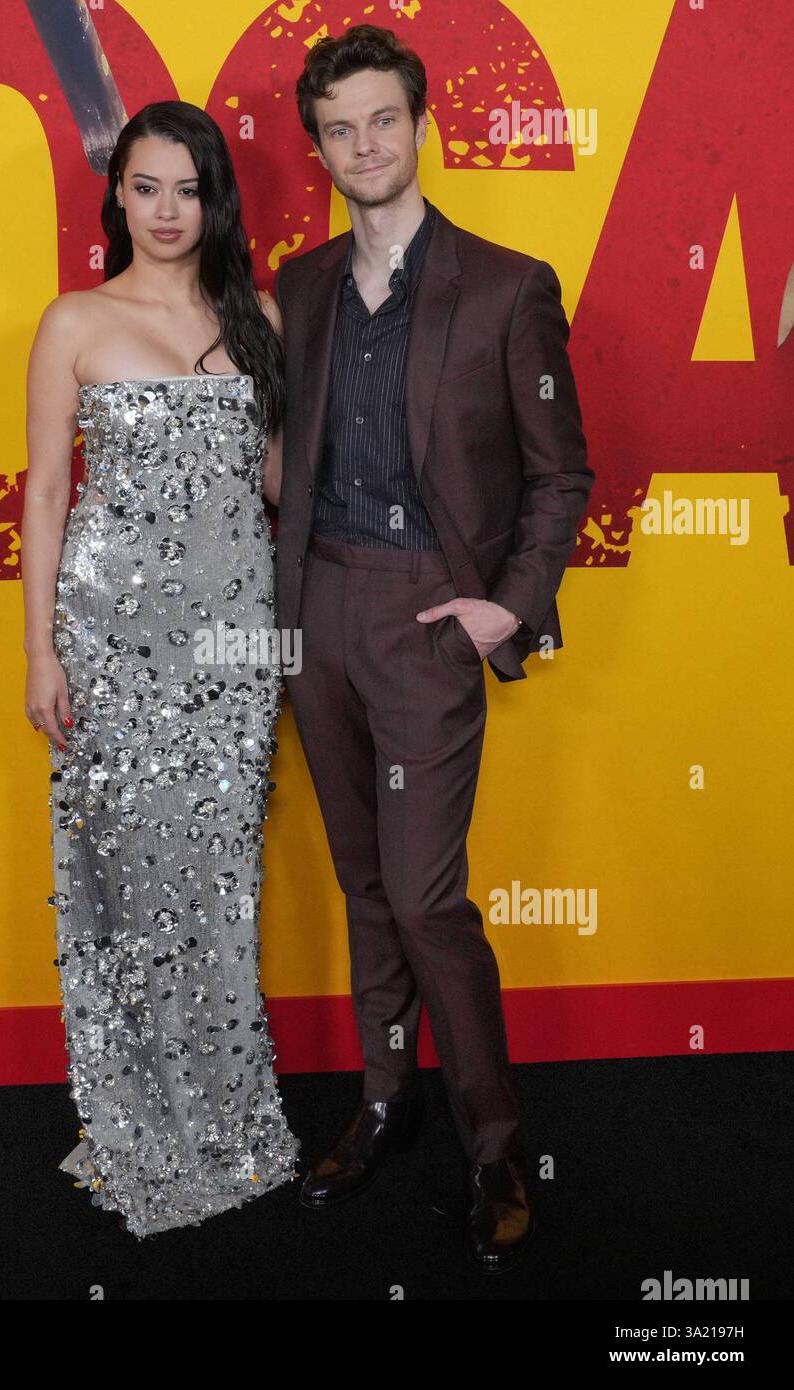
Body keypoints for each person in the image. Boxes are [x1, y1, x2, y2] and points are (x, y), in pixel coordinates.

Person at [271, 25, 594, 1271]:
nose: (362, 146)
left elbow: (561, 470)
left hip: (423, 618)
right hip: (317, 614)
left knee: (422, 895)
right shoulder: (297, 288)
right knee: (360, 885)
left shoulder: (506, 285)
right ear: (319, 148)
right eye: (338, 129)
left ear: (420, 125)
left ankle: (495, 1139)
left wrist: (505, 606)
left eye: (381, 121)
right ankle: (381, 1098)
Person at [20, 100, 299, 1238]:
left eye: (188, 189)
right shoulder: (73, 321)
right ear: (117, 197)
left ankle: (228, 1127)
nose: (168, 211)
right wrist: (38, 646)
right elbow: (43, 492)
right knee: (132, 892)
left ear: (214, 198)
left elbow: (282, 488)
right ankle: (143, 1123)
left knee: (220, 888)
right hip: (110, 650)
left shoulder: (259, 316)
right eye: (146, 188)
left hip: (234, 647)